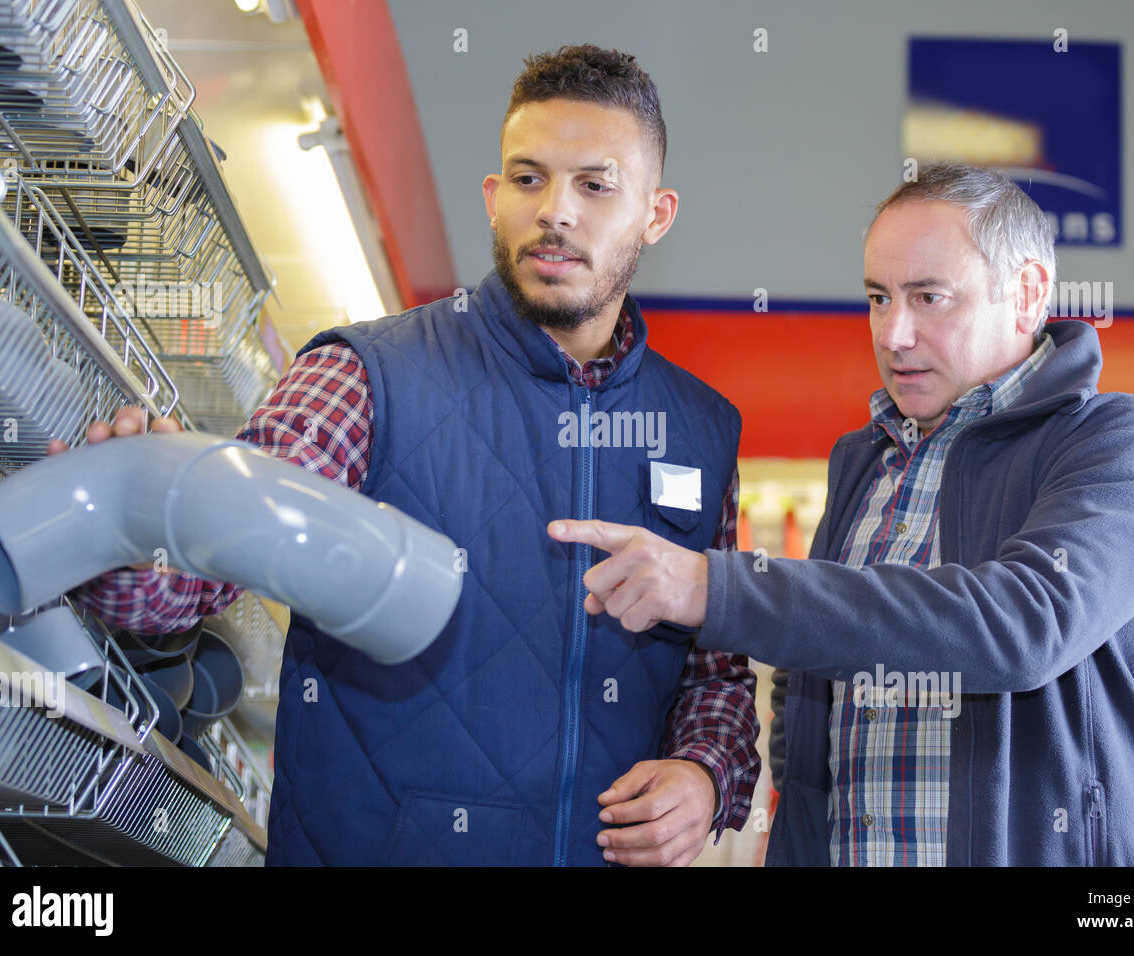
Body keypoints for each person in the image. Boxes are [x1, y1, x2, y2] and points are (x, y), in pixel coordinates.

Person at [65, 45, 759, 866]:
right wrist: (121, 514)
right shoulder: (366, 378)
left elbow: (718, 673)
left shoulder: (701, 430)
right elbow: (180, 582)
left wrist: (704, 773)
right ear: (494, 199)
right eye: (529, 179)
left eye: (596, 185)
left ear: (657, 213)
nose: (556, 212)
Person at [551, 161, 1134, 865]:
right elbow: (806, 718)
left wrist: (718, 587)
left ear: (1026, 294)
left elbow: (1020, 627)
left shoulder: (1122, 446)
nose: (893, 334)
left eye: (929, 298)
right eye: (878, 297)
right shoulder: (864, 460)